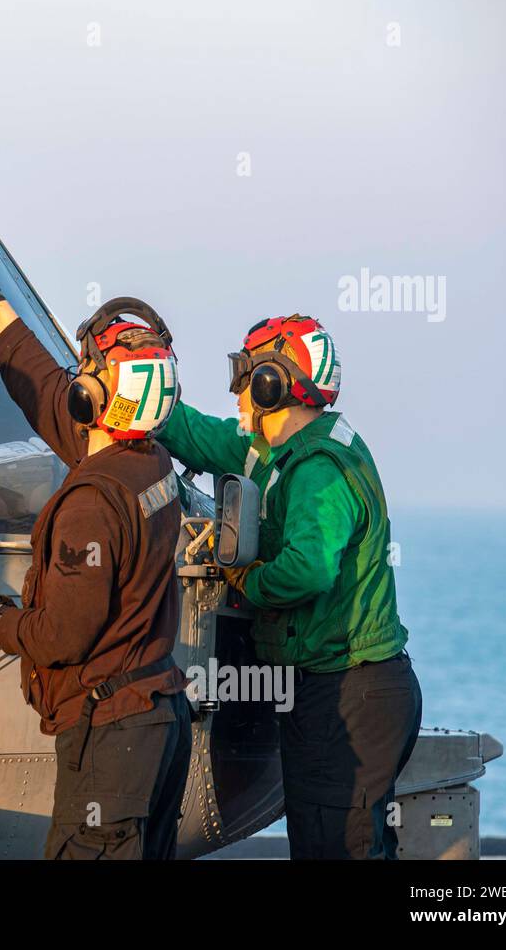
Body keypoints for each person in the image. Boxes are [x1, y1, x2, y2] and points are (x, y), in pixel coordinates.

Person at [0, 239, 191, 860]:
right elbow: (45, 390)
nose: (76, 380)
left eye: (87, 372)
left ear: (102, 398)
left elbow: (61, 638)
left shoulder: (91, 502)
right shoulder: (146, 461)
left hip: (109, 738)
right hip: (156, 722)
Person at [156, 314, 422, 859]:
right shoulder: (275, 449)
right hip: (337, 690)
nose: (236, 391)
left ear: (272, 384)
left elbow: (308, 568)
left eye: (245, 374)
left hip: (350, 694)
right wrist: (138, 394)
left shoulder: (319, 468)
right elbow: (197, 433)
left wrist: (246, 579)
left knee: (337, 849)